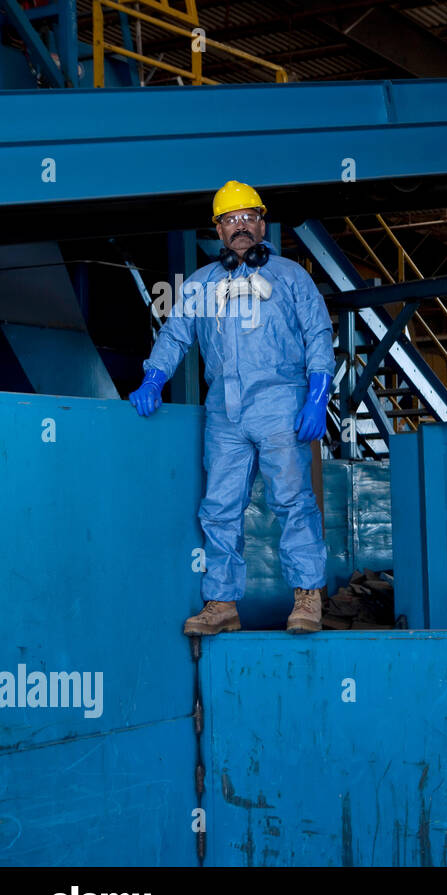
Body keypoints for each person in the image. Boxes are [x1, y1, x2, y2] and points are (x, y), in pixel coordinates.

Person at [128, 181, 335, 636]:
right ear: (218, 230)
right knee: (218, 507)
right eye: (230, 219)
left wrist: (318, 396)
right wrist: (153, 378)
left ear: (262, 223)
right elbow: (176, 333)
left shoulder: (291, 277)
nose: (240, 226)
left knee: (292, 501)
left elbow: (319, 335)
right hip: (224, 410)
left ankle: (307, 598)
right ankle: (221, 603)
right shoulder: (201, 285)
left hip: (280, 401)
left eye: (248, 217)